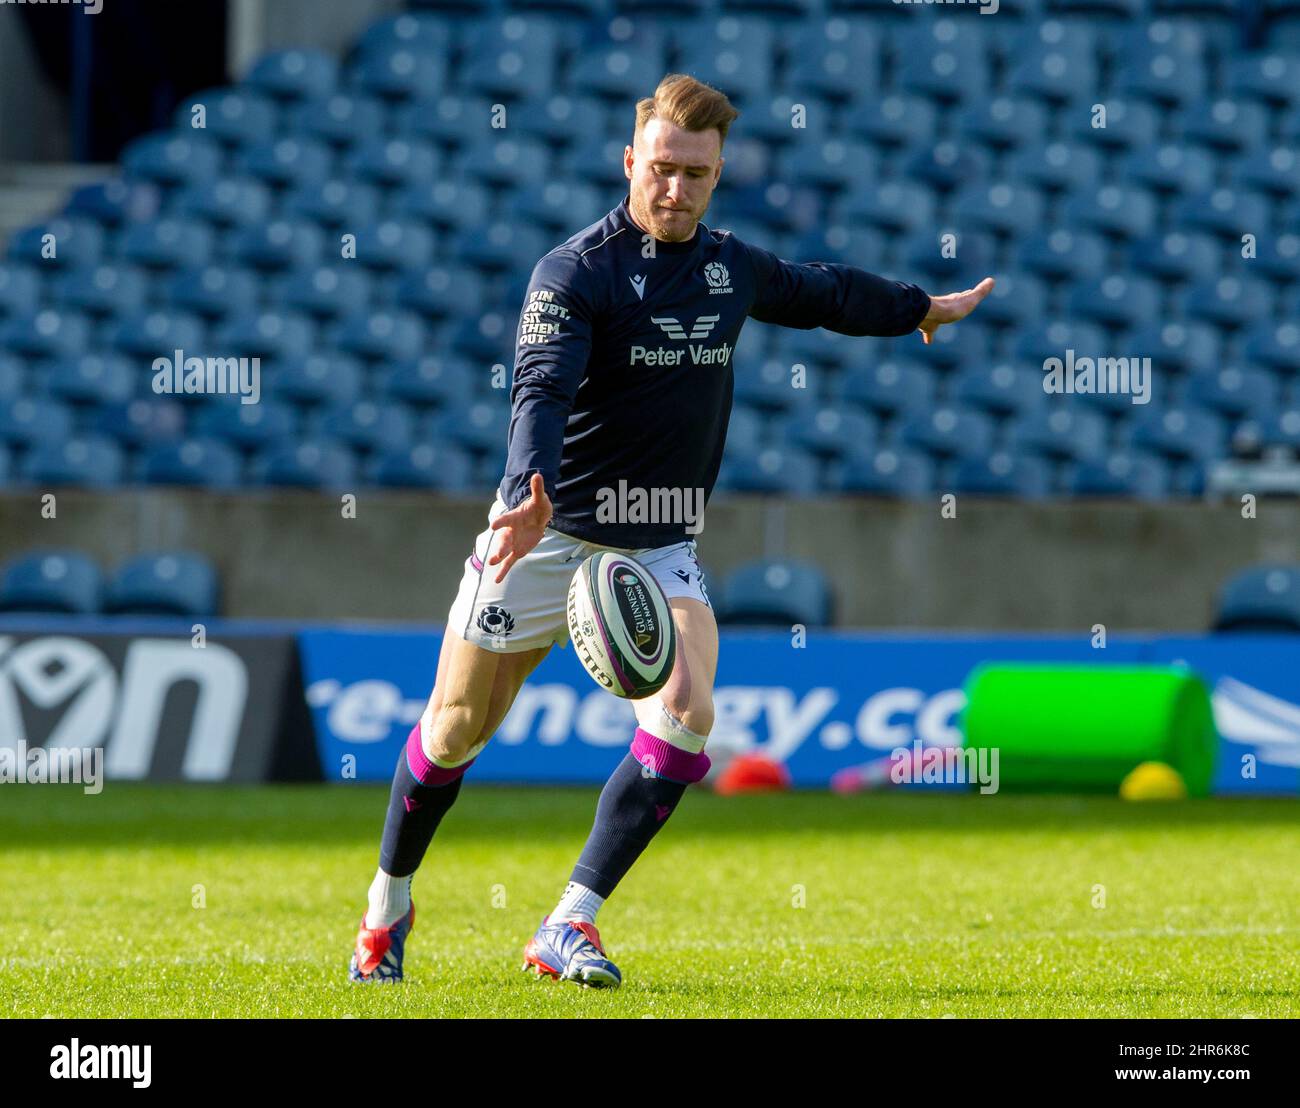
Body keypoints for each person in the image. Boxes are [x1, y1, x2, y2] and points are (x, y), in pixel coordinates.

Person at [349, 73, 993, 986]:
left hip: (655, 540)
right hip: (547, 527)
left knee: (688, 717)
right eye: (660, 168)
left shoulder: (728, 269)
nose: (675, 189)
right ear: (629, 162)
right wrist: (525, 488)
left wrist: (918, 307)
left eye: (696, 174)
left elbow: (822, 293)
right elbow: (542, 389)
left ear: (718, 173)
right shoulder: (575, 272)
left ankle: (569, 922)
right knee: (454, 732)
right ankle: (386, 907)